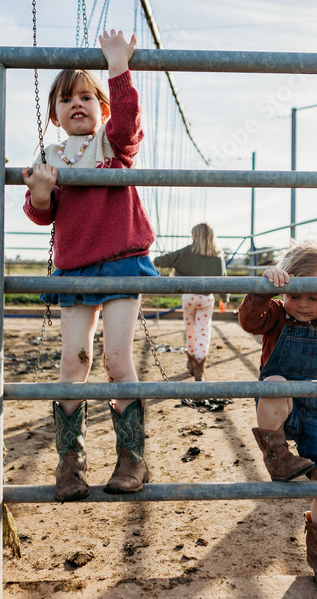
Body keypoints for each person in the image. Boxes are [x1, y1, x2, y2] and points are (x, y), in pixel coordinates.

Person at [22, 30, 157, 502]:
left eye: (85, 96)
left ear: (101, 106)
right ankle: (70, 462)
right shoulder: (49, 156)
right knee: (73, 363)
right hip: (76, 269)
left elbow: (128, 123)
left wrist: (118, 67)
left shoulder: (113, 145)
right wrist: (41, 192)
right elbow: (41, 213)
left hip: (122, 263)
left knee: (118, 360)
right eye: (65, 99)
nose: (75, 103)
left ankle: (131, 456)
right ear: (54, 114)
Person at [237, 237, 317, 590]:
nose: (303, 305)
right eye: (294, 294)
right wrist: (264, 288)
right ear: (284, 292)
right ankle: (276, 455)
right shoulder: (275, 314)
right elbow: (249, 320)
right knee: (274, 382)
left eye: (315, 296)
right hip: (279, 410)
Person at [152, 222, 228, 381]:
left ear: (195, 236)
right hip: (206, 298)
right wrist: (224, 299)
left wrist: (157, 261)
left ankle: (191, 362)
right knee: (203, 331)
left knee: (190, 330)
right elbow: (223, 278)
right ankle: (200, 367)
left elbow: (162, 260)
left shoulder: (187, 251)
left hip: (189, 297)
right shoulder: (218, 255)